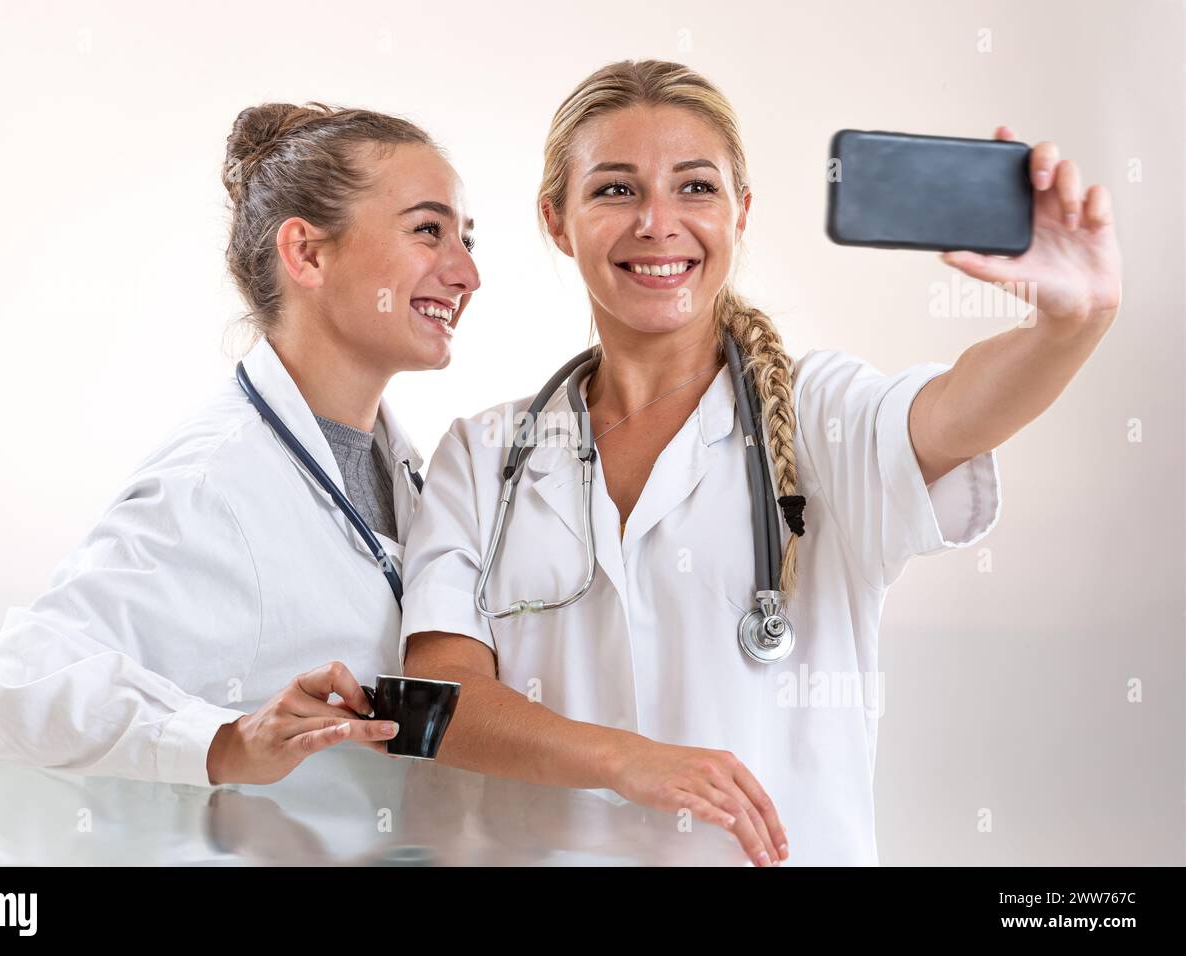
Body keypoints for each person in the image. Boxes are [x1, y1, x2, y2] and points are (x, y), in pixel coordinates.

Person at [398, 60, 1122, 865]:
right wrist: (624, 757)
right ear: (557, 221)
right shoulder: (484, 453)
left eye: (696, 188)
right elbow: (441, 701)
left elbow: (952, 414)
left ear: (741, 213)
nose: (657, 223)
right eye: (614, 190)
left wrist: (1069, 324)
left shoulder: (822, 413)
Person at [0, 101, 480, 787]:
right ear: (308, 254)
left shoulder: (412, 475)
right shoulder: (213, 483)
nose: (466, 272)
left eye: (468, 239)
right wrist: (223, 743)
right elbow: (8, 683)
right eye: (429, 231)